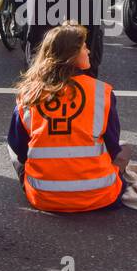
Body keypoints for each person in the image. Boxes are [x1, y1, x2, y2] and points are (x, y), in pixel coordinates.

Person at [8, 23, 124, 213]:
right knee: (123, 148)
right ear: (71, 55)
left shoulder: (28, 94)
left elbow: (18, 147)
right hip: (100, 195)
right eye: (83, 46)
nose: (88, 50)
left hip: (43, 196)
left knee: (12, 145)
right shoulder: (101, 92)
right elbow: (113, 146)